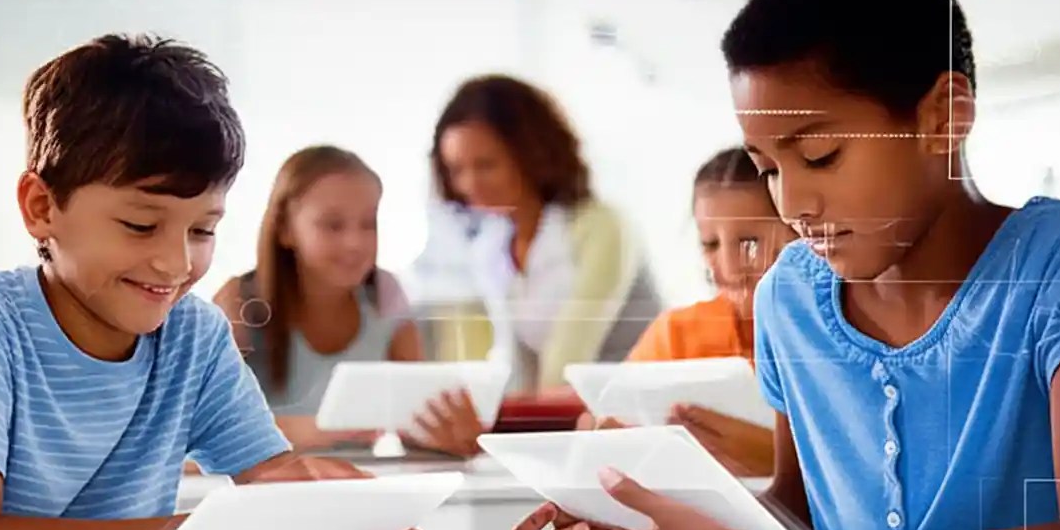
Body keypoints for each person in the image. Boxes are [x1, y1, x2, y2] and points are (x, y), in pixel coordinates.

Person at [512, 0, 1060, 530]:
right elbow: (795, 515)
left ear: (942, 117)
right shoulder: (790, 298)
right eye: (768, 168)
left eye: (822, 155)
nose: (793, 206)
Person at [0, 35, 431, 530]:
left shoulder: (193, 336)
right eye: (141, 225)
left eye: (202, 229)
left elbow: (278, 487)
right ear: (41, 207)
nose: (174, 263)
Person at [211, 146, 483, 458]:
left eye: (368, 224)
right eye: (332, 225)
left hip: (357, 485)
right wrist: (318, 429)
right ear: (286, 229)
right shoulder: (239, 302)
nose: (355, 243)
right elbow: (202, 430)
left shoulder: (385, 294)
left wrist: (444, 432)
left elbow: (412, 420)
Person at [422, 74, 659, 393]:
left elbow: (568, 358)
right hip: (570, 412)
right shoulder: (490, 247)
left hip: (635, 403)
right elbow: (517, 365)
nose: (469, 185)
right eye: (456, 169)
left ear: (532, 154)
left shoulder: (603, 227)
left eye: (486, 165)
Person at [581, 147, 796, 477]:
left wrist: (776, 459)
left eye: (750, 243)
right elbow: (598, 423)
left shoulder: (830, 338)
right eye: (710, 245)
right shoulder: (676, 334)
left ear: (799, 233)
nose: (729, 268)